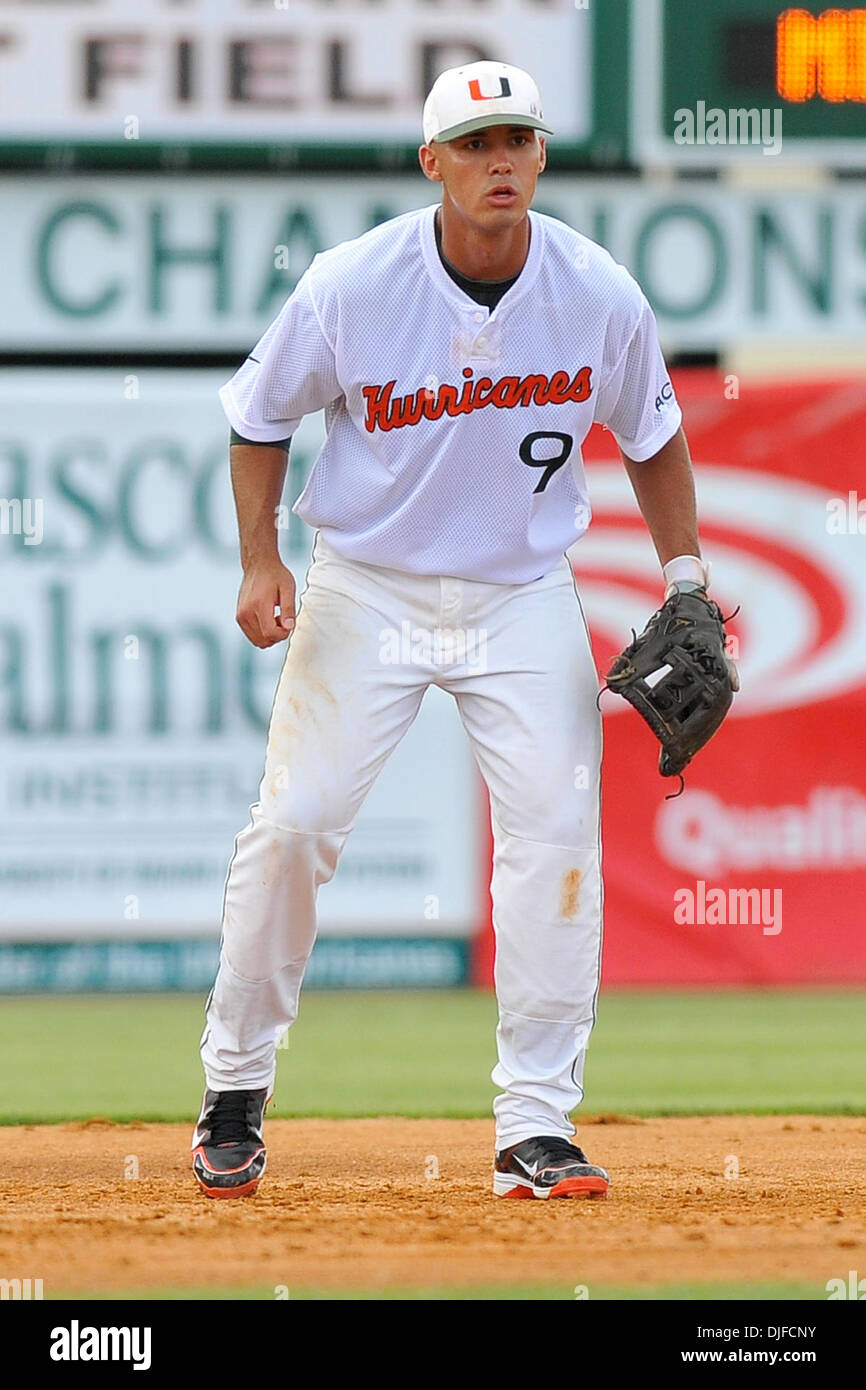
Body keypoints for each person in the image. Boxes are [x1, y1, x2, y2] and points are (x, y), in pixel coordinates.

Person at [191, 60, 708, 1201]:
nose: (499, 160)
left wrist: (684, 574)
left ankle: (534, 1124)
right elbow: (255, 415)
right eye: (474, 143)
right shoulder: (352, 285)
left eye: (517, 138)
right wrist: (259, 556)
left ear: (539, 156)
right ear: (431, 163)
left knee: (555, 840)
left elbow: (652, 432)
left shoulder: (595, 290)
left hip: (520, 591)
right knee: (295, 825)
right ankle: (233, 1085)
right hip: (364, 583)